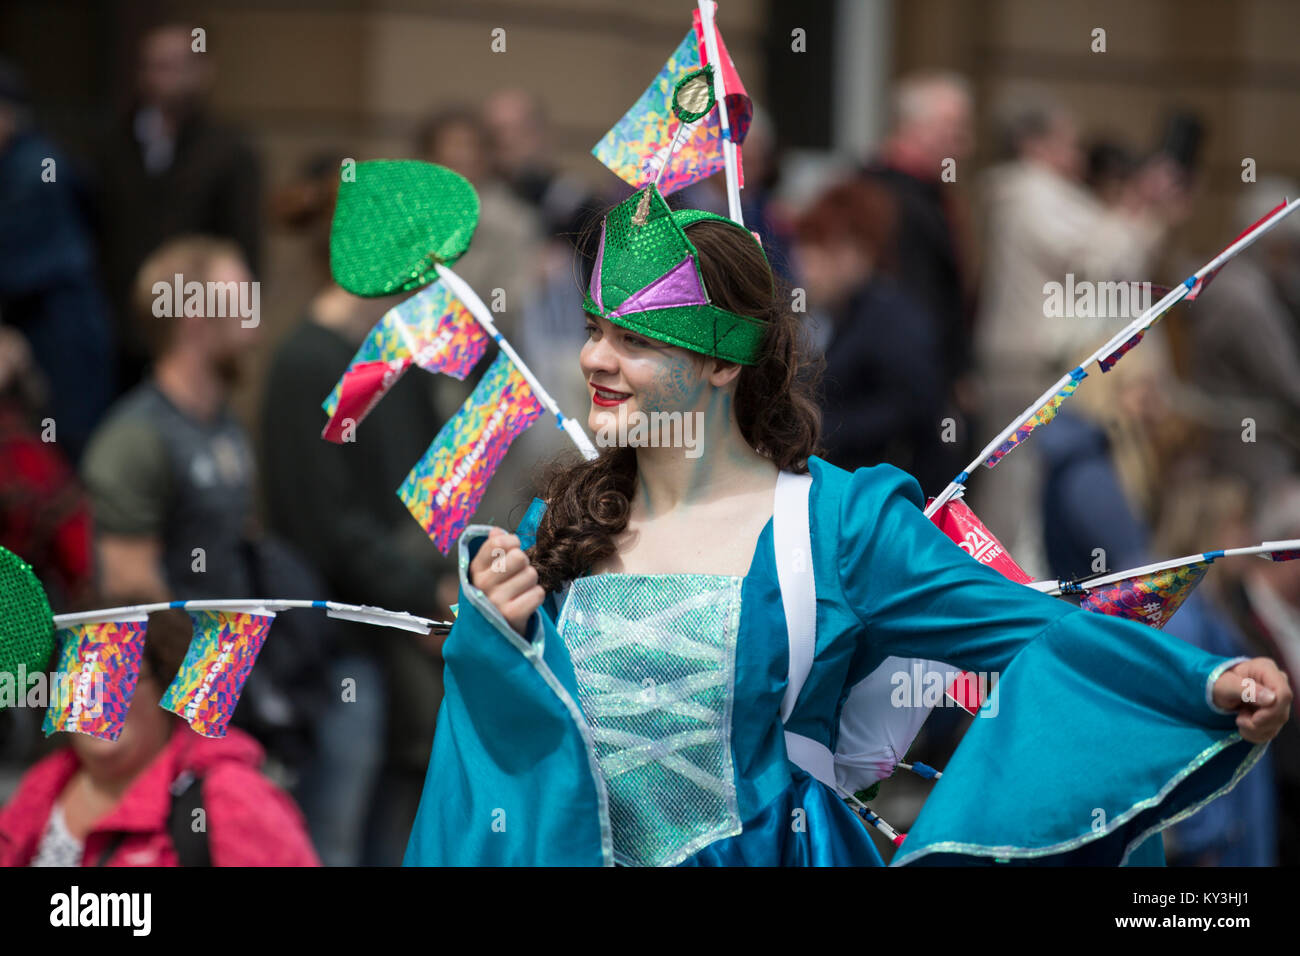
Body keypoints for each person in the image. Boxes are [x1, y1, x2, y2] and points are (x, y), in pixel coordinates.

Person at [403, 184, 1291, 867]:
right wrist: (494, 632)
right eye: (597, 329)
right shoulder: (557, 525)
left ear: (722, 364)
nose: (596, 357)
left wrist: (1204, 680)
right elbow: (511, 760)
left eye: (636, 339)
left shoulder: (840, 523)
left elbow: (1038, 633)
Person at [0, 606, 319, 866]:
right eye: (78, 680)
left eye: (123, 676)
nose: (95, 698)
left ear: (166, 685)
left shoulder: (230, 796)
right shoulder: (40, 786)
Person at [88, 23, 262, 393]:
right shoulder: (114, 145)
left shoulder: (228, 152)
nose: (159, 77)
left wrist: (231, 322)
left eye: (173, 65)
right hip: (120, 334)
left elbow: (245, 246)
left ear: (203, 72)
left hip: (194, 330)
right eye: (152, 65)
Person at [794, 178, 949, 496]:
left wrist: (817, 429)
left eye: (819, 254)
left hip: (885, 493)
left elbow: (911, 409)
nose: (807, 271)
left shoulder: (891, 319)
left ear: (856, 252)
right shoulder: (838, 312)